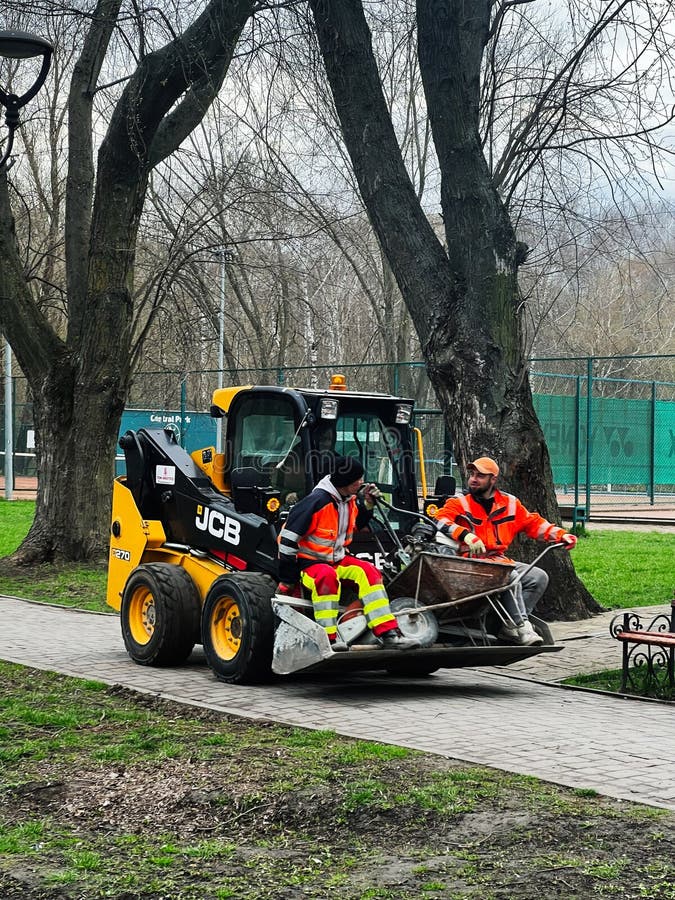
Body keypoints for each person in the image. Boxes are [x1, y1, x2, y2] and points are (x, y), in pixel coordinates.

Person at [277, 455, 421, 651]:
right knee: (326, 577)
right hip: (309, 564)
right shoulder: (316, 502)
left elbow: (355, 526)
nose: (361, 483)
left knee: (369, 572)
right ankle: (329, 639)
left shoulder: (348, 500)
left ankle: (388, 633)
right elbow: (286, 541)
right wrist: (287, 579)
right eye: (356, 480)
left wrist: (368, 505)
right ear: (343, 483)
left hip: (336, 560)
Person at [433, 456, 577, 646]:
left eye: (480, 476)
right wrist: (465, 535)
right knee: (510, 575)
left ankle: (507, 625)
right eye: (472, 474)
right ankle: (520, 626)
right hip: (467, 564)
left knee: (538, 577)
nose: (473, 479)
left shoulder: (510, 503)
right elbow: (439, 520)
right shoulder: (459, 502)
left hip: (497, 561)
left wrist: (560, 535)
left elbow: (534, 523)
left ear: (493, 480)